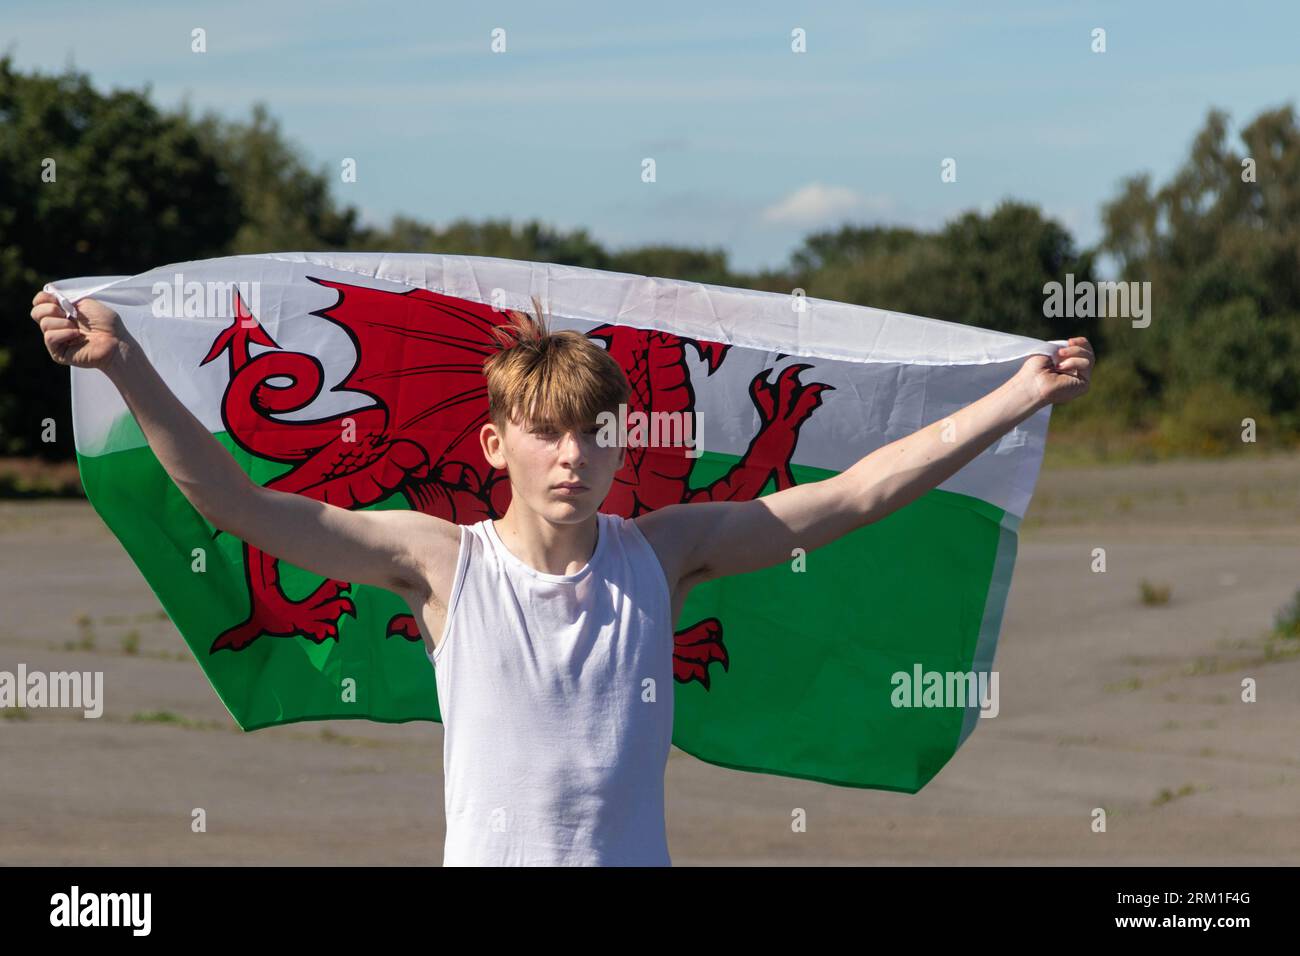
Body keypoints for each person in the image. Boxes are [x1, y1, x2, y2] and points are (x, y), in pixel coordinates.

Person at [30, 288, 1094, 866]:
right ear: (495, 445)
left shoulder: (665, 551)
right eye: (544, 433)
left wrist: (1016, 395)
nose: (571, 454)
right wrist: (124, 363)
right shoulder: (437, 561)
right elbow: (241, 504)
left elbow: (858, 491)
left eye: (592, 433)